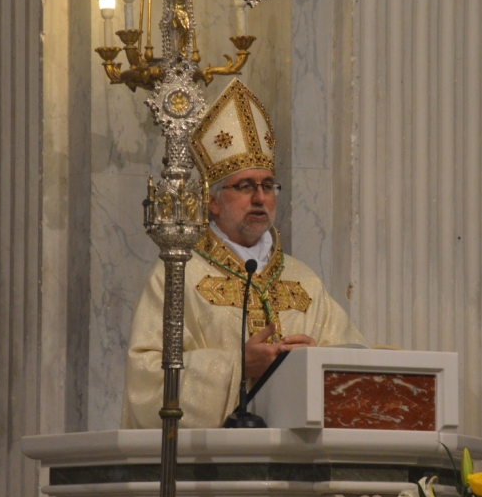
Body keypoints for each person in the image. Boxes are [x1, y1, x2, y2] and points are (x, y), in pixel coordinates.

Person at [122, 79, 367, 429]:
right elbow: (145, 383)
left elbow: (356, 361)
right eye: (245, 186)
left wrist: (317, 360)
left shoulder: (304, 280)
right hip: (212, 469)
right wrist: (238, 366)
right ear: (212, 201)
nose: (260, 198)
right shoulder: (178, 275)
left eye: (268, 186)